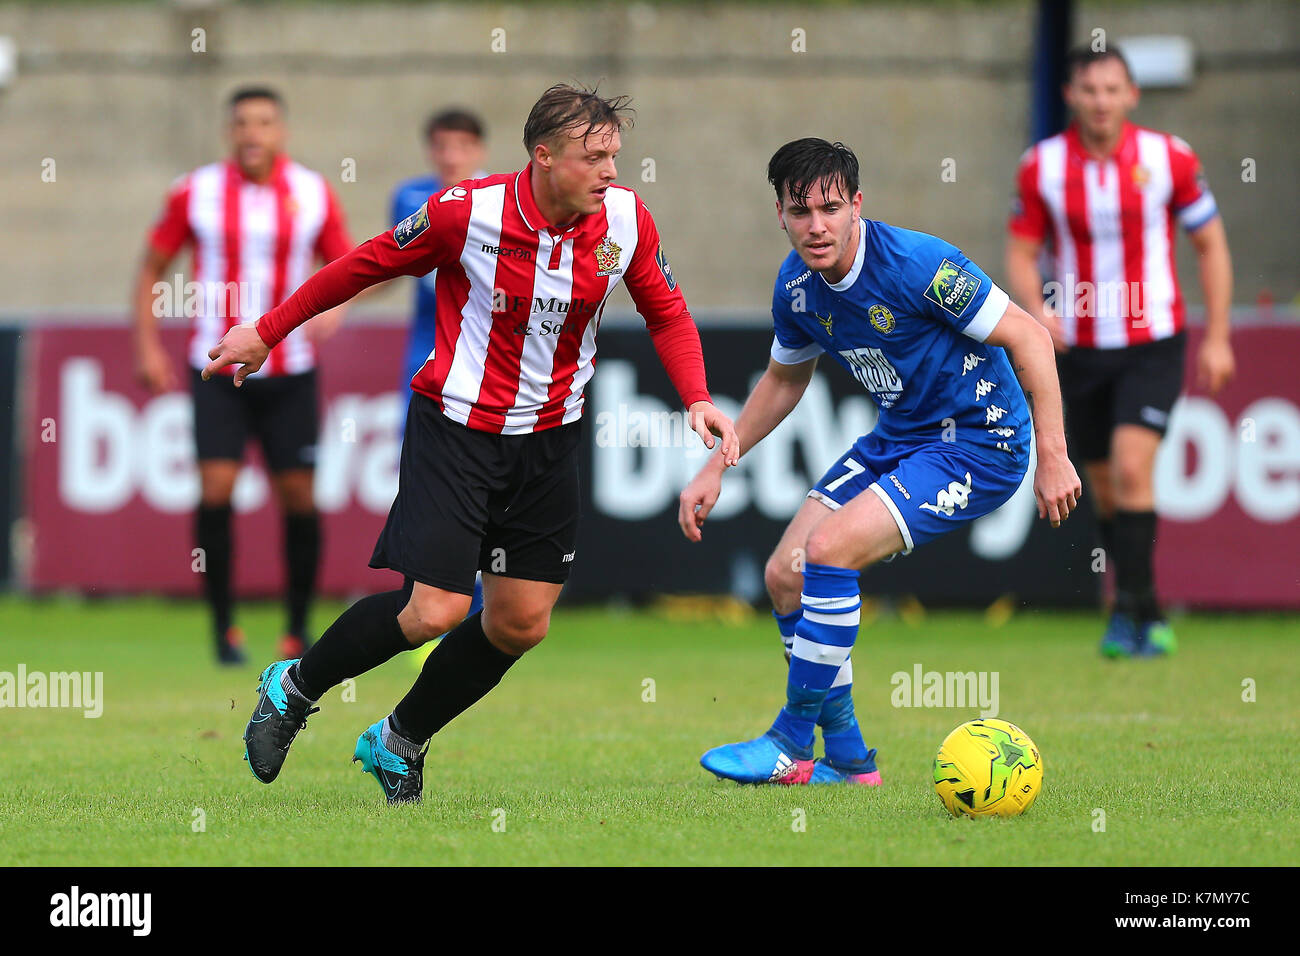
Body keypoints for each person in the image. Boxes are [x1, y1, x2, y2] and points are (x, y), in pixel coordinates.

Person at [211, 84, 739, 803]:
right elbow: (365, 263)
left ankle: (399, 738)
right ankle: (297, 686)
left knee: (521, 622)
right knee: (434, 610)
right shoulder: (467, 211)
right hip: (456, 430)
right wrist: (266, 331)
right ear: (543, 157)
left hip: (549, 442)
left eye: (616, 155)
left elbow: (666, 311)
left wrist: (697, 396)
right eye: (595, 157)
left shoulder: (626, 220)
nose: (612, 171)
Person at [679, 138, 1079, 785]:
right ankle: (849, 759)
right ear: (779, 212)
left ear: (857, 205)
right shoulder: (798, 288)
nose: (816, 225)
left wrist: (1052, 456)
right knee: (785, 574)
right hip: (902, 435)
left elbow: (1030, 335)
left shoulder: (922, 265)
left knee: (828, 551)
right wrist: (717, 464)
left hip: (981, 441)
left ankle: (790, 741)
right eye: (799, 210)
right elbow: (785, 381)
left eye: (830, 208)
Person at [1005, 46, 1234, 658]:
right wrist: (1037, 309)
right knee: (1106, 486)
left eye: (1112, 89)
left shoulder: (1170, 157)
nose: (1101, 101)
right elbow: (1022, 253)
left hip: (1151, 341)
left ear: (1131, 95)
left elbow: (1210, 244)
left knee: (1135, 468)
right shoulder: (1042, 167)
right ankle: (1143, 604)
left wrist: (1216, 337)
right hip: (1076, 348)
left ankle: (1130, 617)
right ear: (1070, 96)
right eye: (1089, 90)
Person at [132, 86, 353, 666]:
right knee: (216, 490)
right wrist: (148, 344)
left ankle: (296, 629)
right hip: (215, 367)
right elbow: (152, 265)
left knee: (298, 495)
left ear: (281, 131)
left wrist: (337, 308)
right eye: (242, 124)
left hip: (290, 369)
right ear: (229, 132)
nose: (252, 133)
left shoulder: (311, 191)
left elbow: (348, 264)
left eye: (263, 123)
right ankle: (224, 629)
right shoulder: (196, 191)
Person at [390, 108, 490, 643]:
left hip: (485, 374)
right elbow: (392, 260)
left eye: (461, 145)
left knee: (486, 498)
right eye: (442, 145)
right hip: (424, 370)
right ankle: (422, 608)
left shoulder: (496, 206)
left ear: (477, 151)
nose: (451, 155)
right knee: (423, 491)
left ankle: (474, 615)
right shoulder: (411, 199)